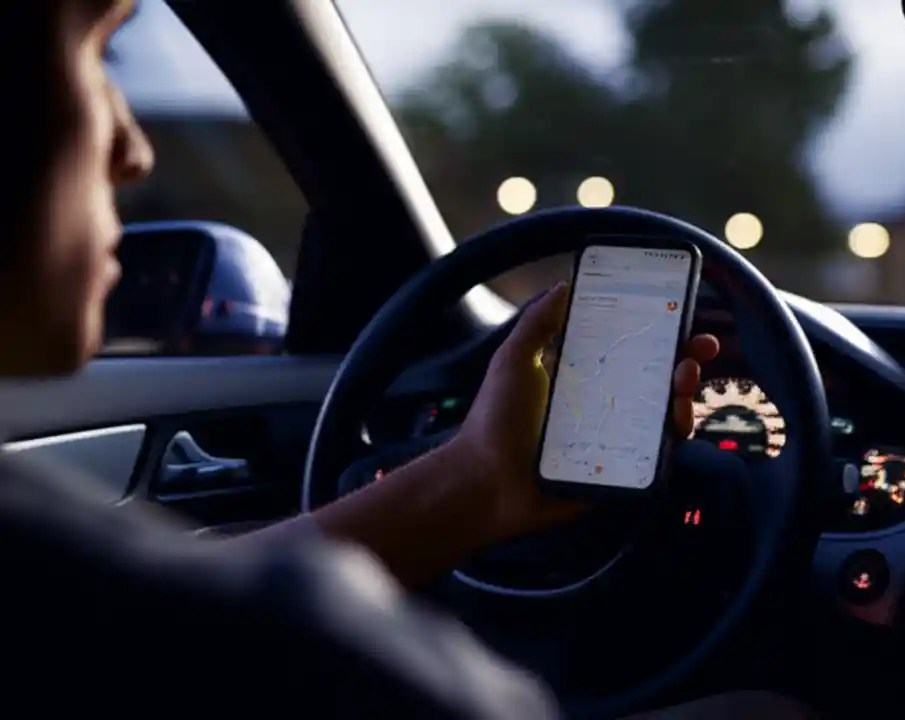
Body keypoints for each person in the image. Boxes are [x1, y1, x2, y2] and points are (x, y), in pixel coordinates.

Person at [0, 1, 818, 717]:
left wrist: (479, 480)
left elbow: (144, 636)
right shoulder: (341, 667)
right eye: (100, 52)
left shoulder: (72, 614)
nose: (134, 149)